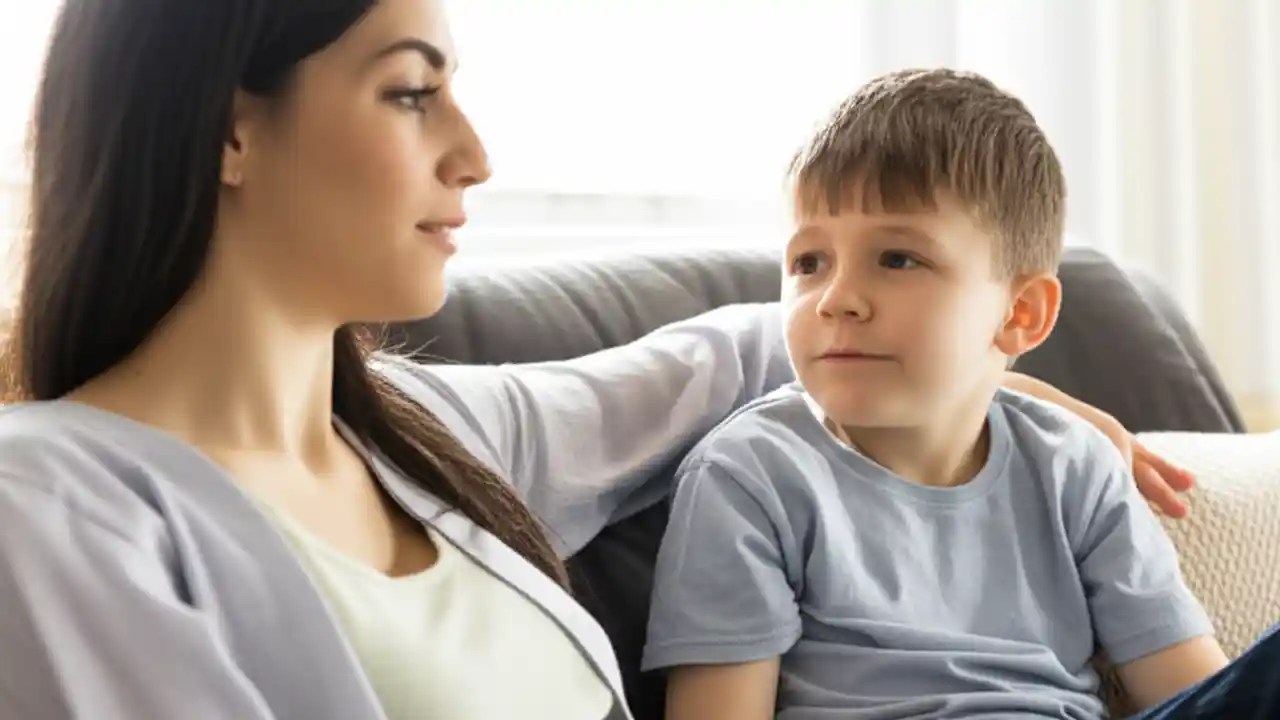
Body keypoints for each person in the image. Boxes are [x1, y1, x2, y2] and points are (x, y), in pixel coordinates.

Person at [0, 3, 1195, 720]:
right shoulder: (55, 500)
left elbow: (732, 354)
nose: (474, 153)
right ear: (229, 126)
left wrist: (984, 376)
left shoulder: (434, 438)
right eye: (411, 92)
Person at [641, 68, 1280, 720]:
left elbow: (1202, 697)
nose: (836, 299)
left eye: (897, 259)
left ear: (1020, 313)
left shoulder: (1075, 466)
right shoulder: (750, 474)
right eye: (809, 262)